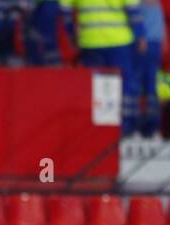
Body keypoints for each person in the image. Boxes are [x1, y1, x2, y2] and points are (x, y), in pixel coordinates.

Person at [61, 0, 146, 135]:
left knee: (96, 88)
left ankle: (98, 130)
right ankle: (125, 128)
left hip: (90, 41)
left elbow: (64, 8)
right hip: (119, 41)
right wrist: (140, 35)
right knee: (124, 86)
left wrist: (71, 32)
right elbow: (133, 9)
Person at [137, 0, 166, 137]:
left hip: (145, 44)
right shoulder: (154, 5)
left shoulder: (148, 4)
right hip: (151, 44)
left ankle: (147, 127)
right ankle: (150, 128)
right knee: (148, 87)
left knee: (143, 87)